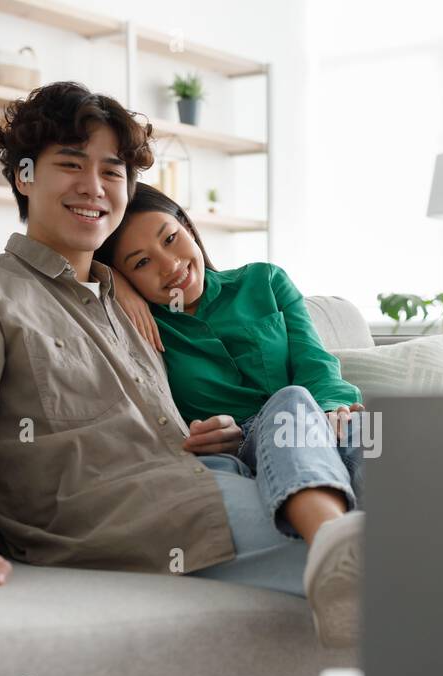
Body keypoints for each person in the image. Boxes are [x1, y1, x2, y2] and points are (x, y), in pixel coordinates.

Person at [0, 82, 361, 647]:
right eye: (71, 164)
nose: (94, 186)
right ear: (24, 176)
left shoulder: (135, 302)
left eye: (112, 171)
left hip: (218, 479)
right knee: (417, 545)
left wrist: (223, 436)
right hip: (129, 517)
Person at [93, 185, 366, 644]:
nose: (169, 265)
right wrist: (111, 280)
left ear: (191, 229)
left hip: (318, 422)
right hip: (239, 449)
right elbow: (66, 276)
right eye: (140, 263)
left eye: (171, 238)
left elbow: (316, 363)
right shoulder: (143, 326)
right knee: (289, 402)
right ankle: (335, 552)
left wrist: (333, 409)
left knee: (353, 427)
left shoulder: (264, 281)